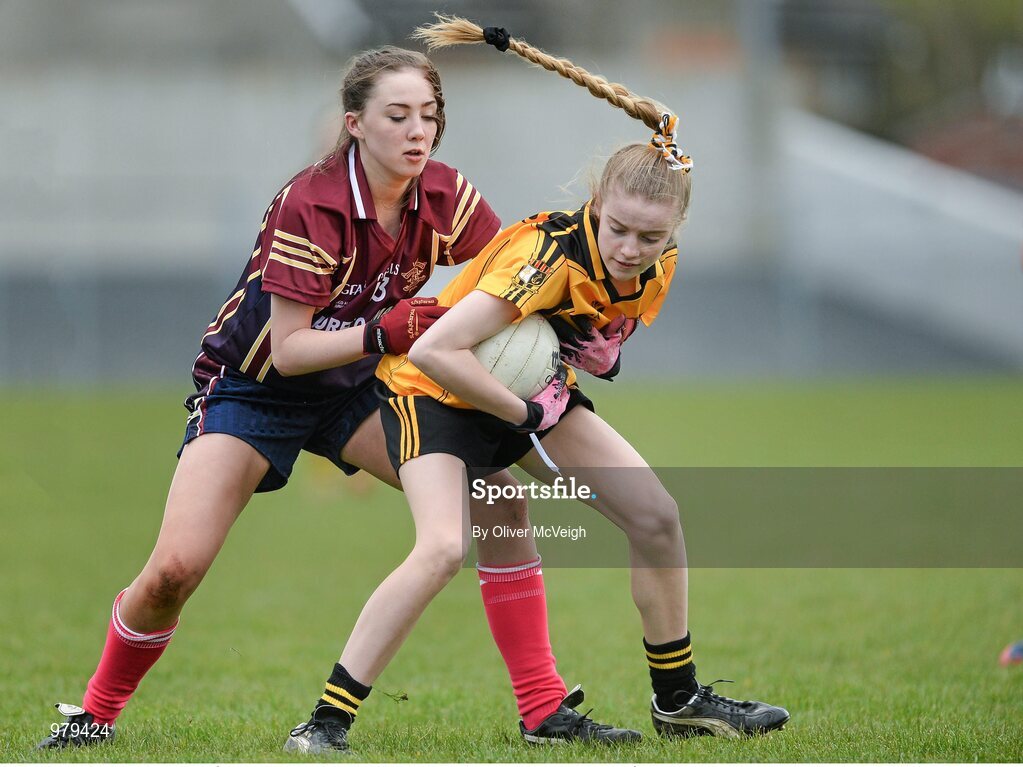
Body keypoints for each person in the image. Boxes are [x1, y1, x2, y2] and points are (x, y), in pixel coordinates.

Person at [36, 45, 614, 751]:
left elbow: (515, 276)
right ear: (354, 123)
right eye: (397, 116)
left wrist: (580, 325)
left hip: (361, 388)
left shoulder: (444, 195)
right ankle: (95, 713)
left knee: (497, 499)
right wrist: (385, 331)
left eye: (429, 115)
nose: (417, 131)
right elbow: (289, 350)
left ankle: (543, 709)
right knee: (173, 571)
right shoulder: (310, 203)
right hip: (254, 390)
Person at [285, 16, 790, 753]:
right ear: (596, 204)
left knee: (655, 516)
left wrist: (544, 393)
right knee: (442, 548)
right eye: (618, 229)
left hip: (525, 393)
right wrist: (522, 410)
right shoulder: (544, 257)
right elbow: (435, 347)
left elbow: (582, 343)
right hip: (431, 392)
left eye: (651, 237)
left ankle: (677, 700)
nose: (630, 249)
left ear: (675, 231)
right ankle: (325, 722)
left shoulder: (656, 262)